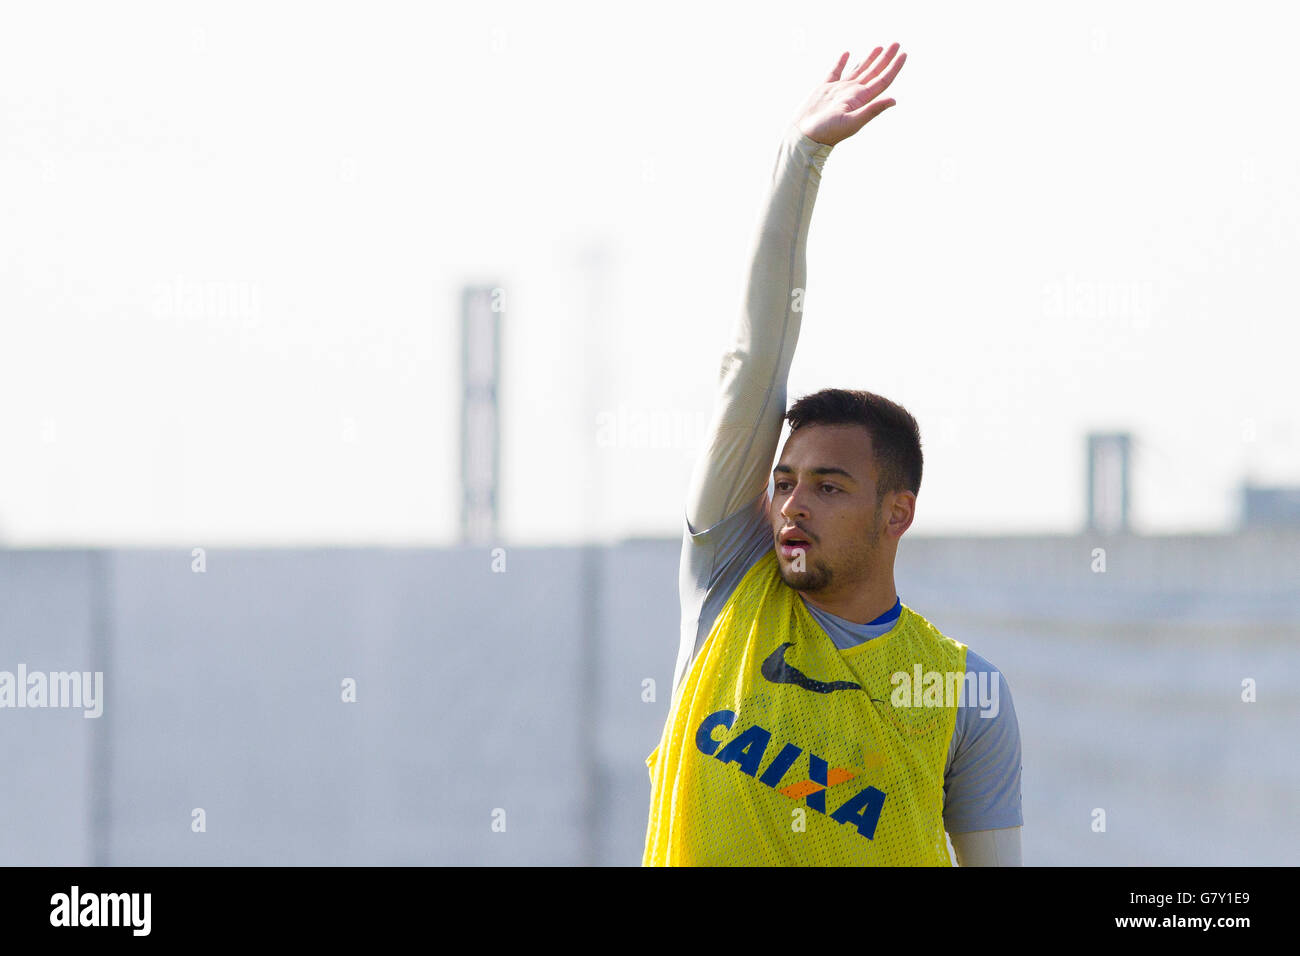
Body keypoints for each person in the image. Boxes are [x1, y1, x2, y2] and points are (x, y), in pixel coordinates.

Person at [641, 43, 1023, 866]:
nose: (792, 504)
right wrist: (800, 156)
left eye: (829, 485)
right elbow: (750, 367)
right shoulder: (727, 579)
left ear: (897, 513)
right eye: (784, 481)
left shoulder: (961, 692)